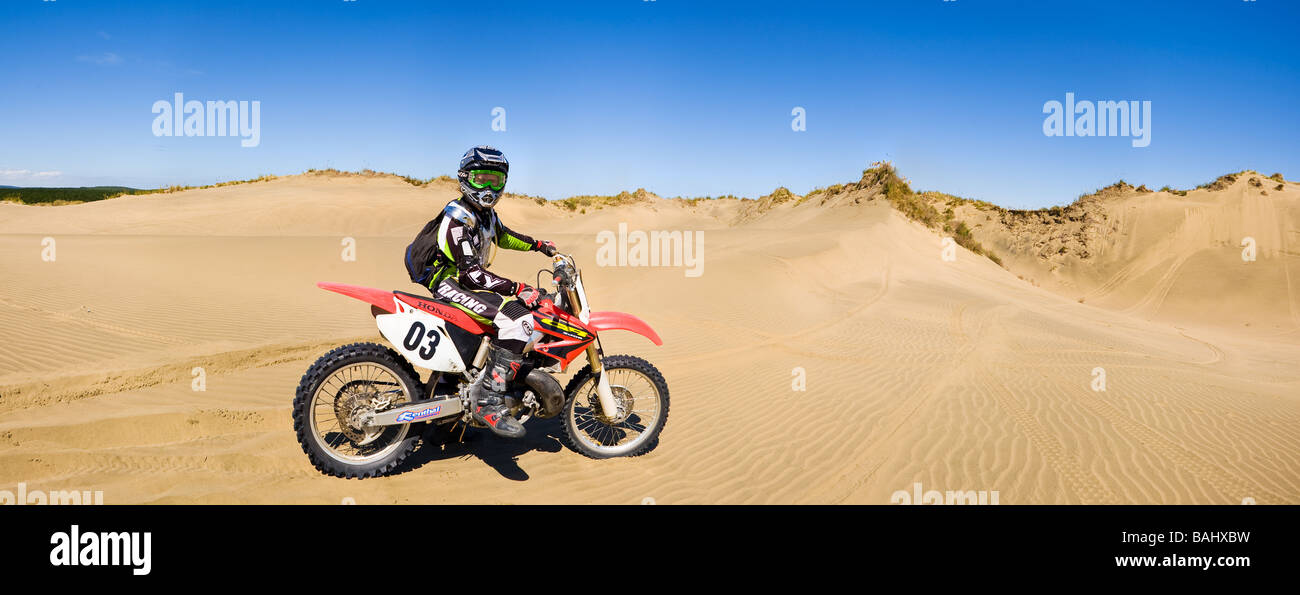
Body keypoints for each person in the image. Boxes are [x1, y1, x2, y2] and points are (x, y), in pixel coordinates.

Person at [404, 146, 557, 439]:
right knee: (516, 321)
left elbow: (505, 236)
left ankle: (470, 385)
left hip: (464, 282)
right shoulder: (458, 218)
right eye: (481, 178)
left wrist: (539, 245)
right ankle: (489, 400)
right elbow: (472, 274)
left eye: (495, 180)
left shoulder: (486, 215)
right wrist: (518, 289)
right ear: (465, 178)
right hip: (449, 283)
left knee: (510, 317)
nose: (488, 187)